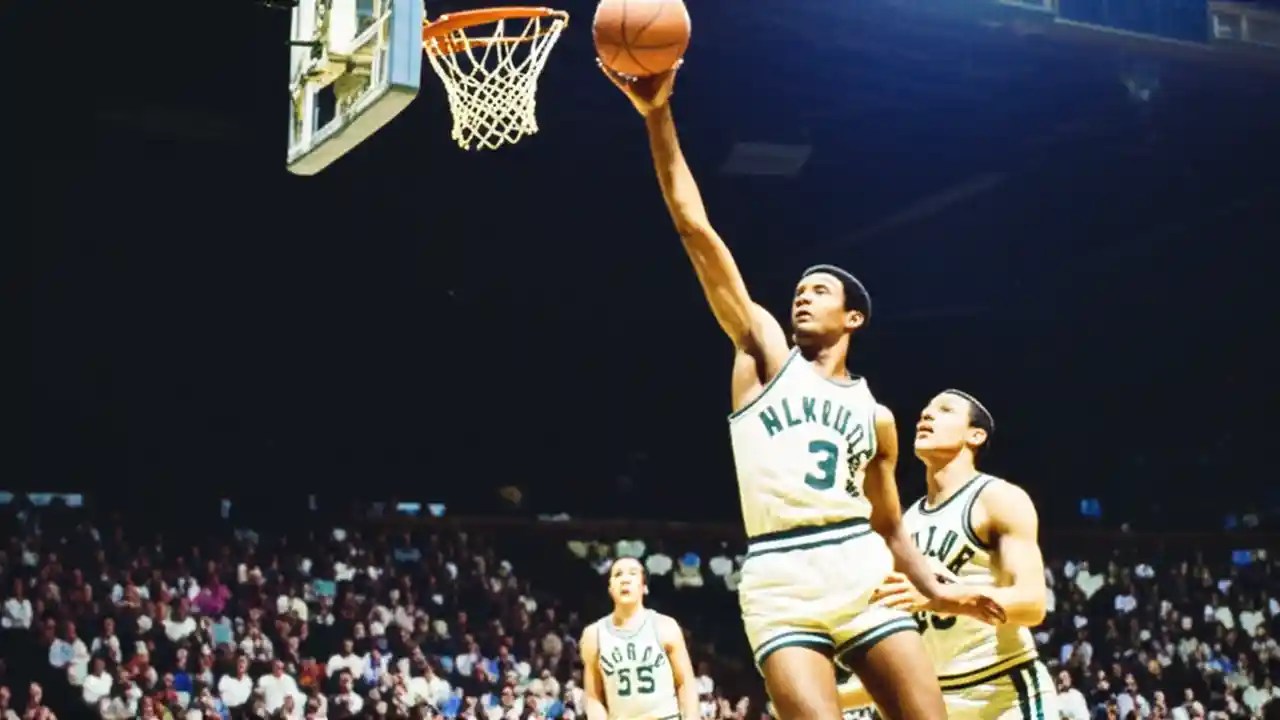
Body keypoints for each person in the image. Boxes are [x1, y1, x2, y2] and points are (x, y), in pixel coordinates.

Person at [597, 64, 1005, 720]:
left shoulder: (877, 416)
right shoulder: (762, 353)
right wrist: (657, 114)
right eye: (799, 289)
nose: (802, 294)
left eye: (821, 289)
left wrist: (939, 591)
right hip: (779, 575)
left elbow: (893, 528)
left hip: (860, 566)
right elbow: (695, 228)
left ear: (854, 318)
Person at [839, 389, 1058, 720]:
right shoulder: (905, 524)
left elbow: (1032, 604)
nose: (926, 416)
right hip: (933, 699)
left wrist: (939, 596)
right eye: (925, 411)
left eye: (944, 410)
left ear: (976, 435)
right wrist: (816, 696)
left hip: (1001, 694)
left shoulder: (998, 499)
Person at [581, 558, 700, 720]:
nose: (625, 579)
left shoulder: (665, 626)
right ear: (610, 588)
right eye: (618, 575)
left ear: (644, 587)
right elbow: (593, 696)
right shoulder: (593, 635)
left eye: (632, 573)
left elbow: (686, 683)